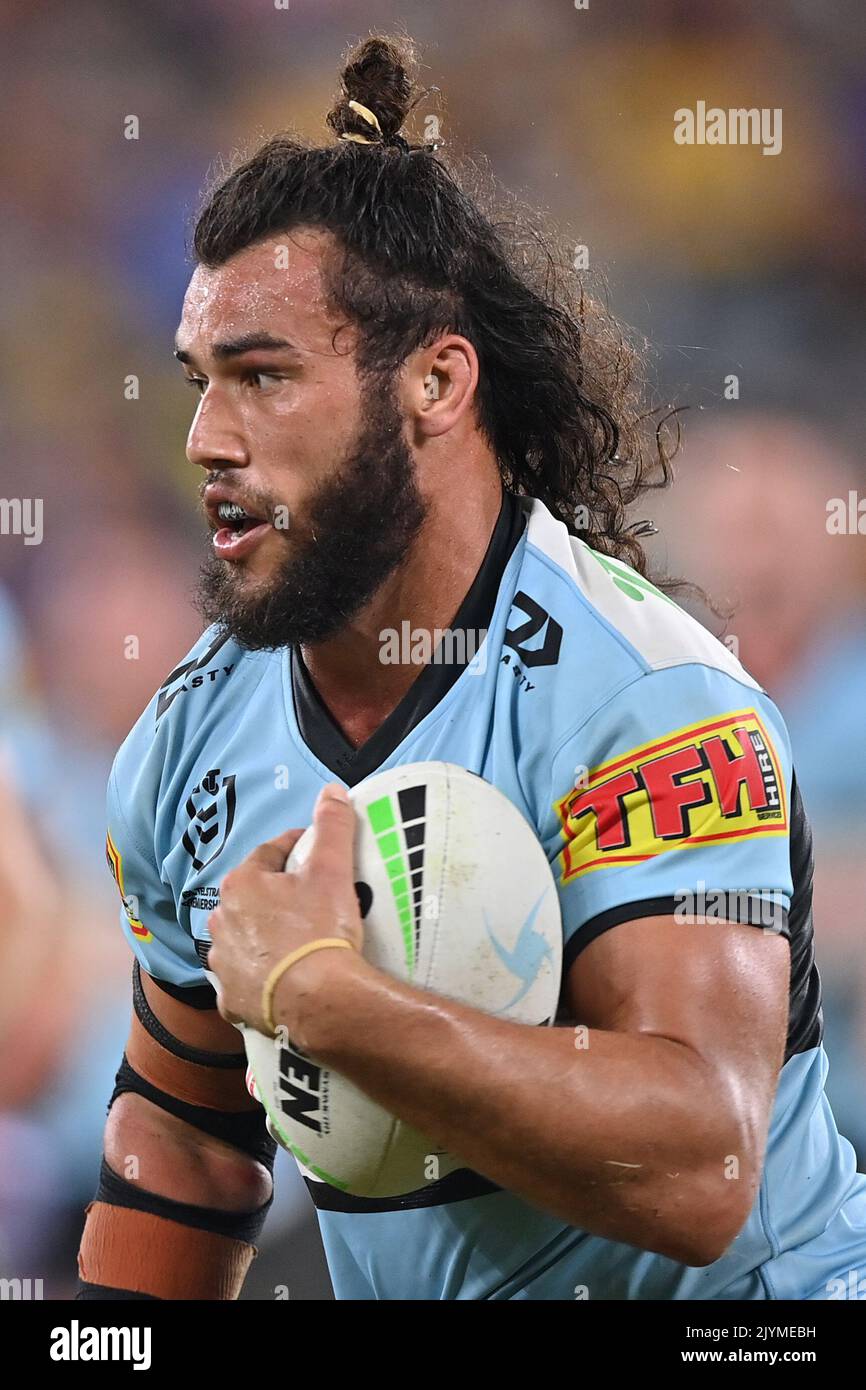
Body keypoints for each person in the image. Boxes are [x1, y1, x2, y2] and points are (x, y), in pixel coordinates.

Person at [77, 33, 866, 1301]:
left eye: (263, 378)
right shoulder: (190, 744)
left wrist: (328, 1001)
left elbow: (698, 1165)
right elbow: (183, 1140)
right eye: (199, 381)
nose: (204, 438)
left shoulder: (650, 705)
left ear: (436, 381)